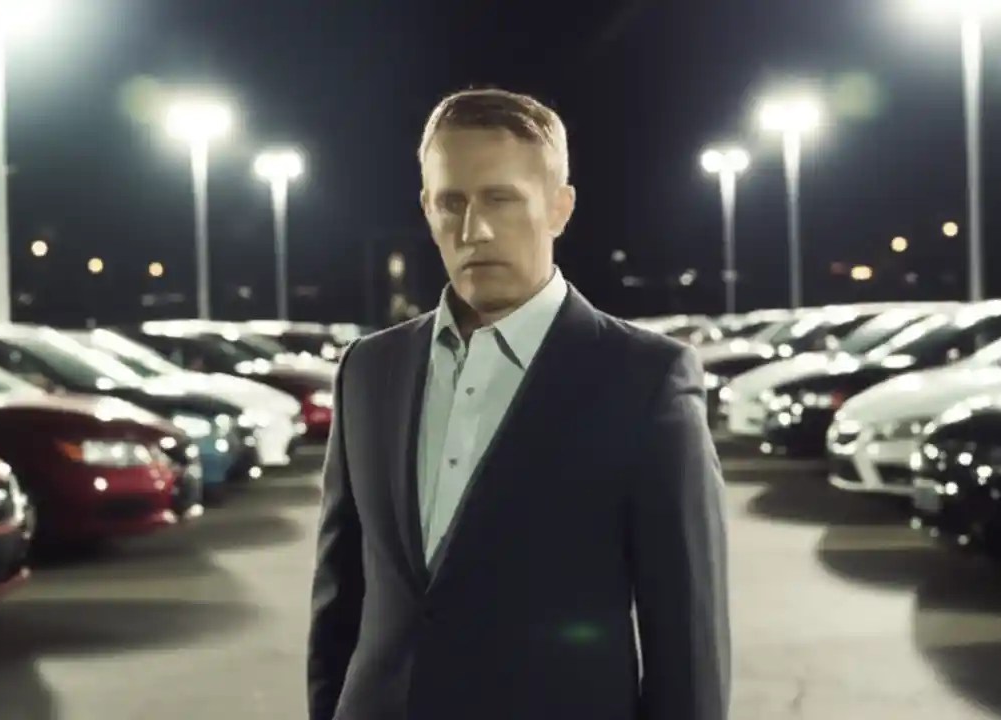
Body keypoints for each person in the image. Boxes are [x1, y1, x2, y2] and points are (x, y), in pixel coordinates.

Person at [308, 87, 730, 720]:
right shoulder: (369, 370)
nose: (474, 229)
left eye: (501, 199)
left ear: (559, 208)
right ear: (427, 209)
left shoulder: (646, 380)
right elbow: (341, 596)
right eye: (452, 202)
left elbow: (688, 638)